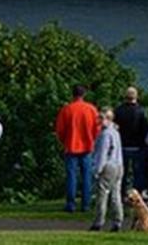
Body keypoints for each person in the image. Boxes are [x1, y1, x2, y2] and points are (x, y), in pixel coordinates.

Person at [55, 84, 100, 212]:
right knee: (87, 176)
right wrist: (92, 140)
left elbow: (60, 130)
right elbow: (97, 128)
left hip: (71, 146)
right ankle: (86, 204)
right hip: (87, 147)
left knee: (71, 176)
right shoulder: (91, 109)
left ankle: (71, 204)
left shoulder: (67, 109)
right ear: (84, 94)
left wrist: (65, 141)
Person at [89, 108, 124, 232]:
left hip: (108, 167)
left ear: (107, 119)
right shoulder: (115, 132)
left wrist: (97, 170)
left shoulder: (105, 134)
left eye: (100, 118)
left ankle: (98, 222)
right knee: (116, 195)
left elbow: (102, 154)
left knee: (102, 195)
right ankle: (117, 221)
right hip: (118, 165)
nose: (98, 120)